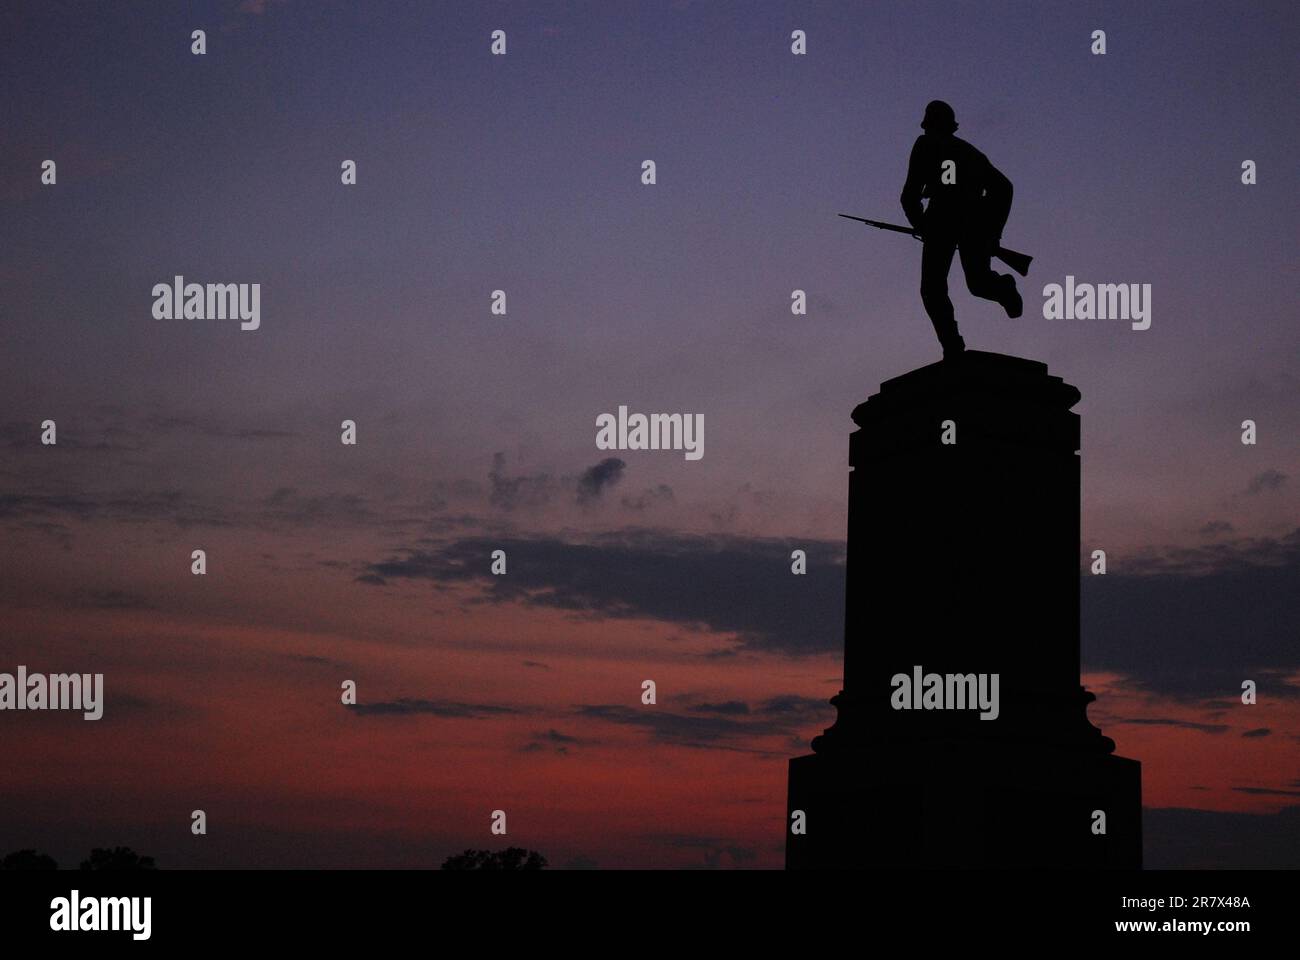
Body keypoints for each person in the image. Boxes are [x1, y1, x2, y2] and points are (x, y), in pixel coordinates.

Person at [900, 100, 1023, 358]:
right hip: (971, 223)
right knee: (975, 284)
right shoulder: (969, 152)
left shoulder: (925, 146)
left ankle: (953, 345)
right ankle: (1000, 292)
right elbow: (1004, 188)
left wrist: (921, 224)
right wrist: (992, 232)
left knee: (935, 289)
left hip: (948, 221)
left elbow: (909, 196)